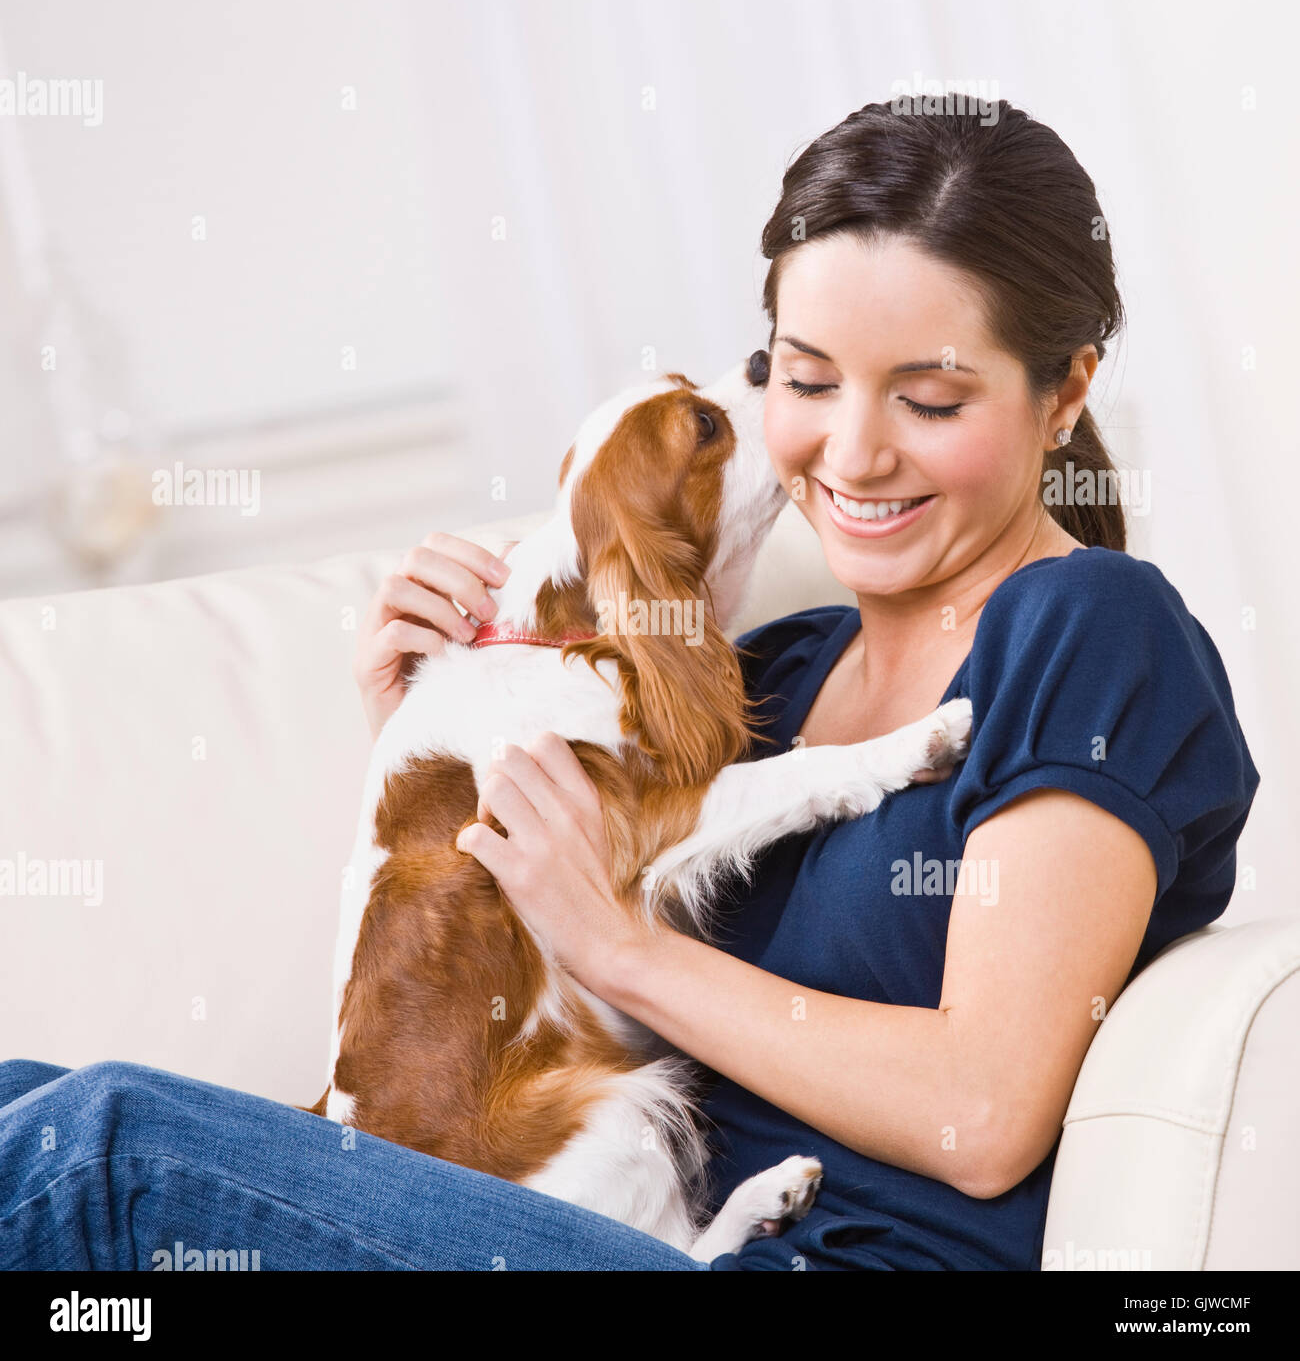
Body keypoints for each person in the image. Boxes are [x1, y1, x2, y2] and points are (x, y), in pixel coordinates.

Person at [0, 98, 1258, 1271]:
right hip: (606, 1221)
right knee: (23, 1100)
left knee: (102, 1150)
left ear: (1066, 392)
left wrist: (621, 946)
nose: (853, 451)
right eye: (806, 379)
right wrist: (443, 722)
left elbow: (982, 1111)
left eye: (927, 398)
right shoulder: (772, 670)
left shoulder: (1084, 626)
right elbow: (512, 979)